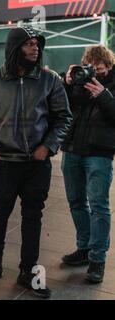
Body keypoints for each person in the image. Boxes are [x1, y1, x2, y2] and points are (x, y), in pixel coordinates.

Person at [0, 27, 72, 298]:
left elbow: (64, 118)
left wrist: (47, 147)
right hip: (6, 162)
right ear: (15, 48)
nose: (35, 48)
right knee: (0, 211)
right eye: (28, 44)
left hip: (37, 165)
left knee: (33, 216)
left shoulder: (49, 80)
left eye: (37, 44)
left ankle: (28, 271)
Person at [60, 45, 115, 283]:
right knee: (76, 202)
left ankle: (97, 259)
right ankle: (84, 248)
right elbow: (61, 106)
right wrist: (67, 82)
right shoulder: (80, 80)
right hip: (72, 149)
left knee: (99, 205)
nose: (96, 73)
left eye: (101, 69)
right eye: (93, 68)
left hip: (100, 153)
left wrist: (103, 94)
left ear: (109, 66)